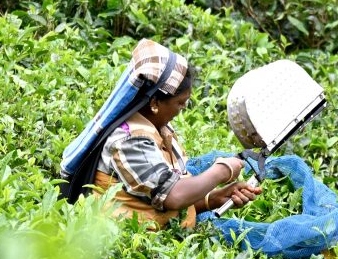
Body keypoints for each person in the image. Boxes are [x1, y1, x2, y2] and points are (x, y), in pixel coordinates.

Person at [87, 40, 261, 229]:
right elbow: (173, 196)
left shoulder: (160, 129)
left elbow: (161, 200)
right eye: (180, 102)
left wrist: (215, 198)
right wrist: (222, 170)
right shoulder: (129, 140)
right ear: (154, 102)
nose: (184, 107)